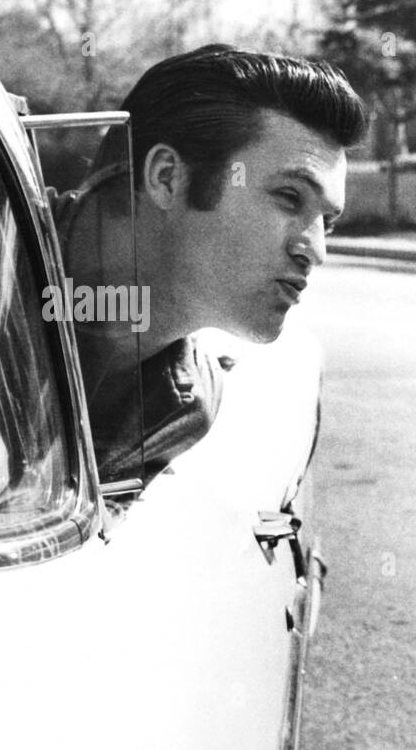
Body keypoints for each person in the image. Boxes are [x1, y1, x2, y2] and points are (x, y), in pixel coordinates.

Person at [54, 44, 367, 485]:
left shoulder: (182, 405)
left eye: (328, 222)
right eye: (289, 197)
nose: (316, 250)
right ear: (168, 178)